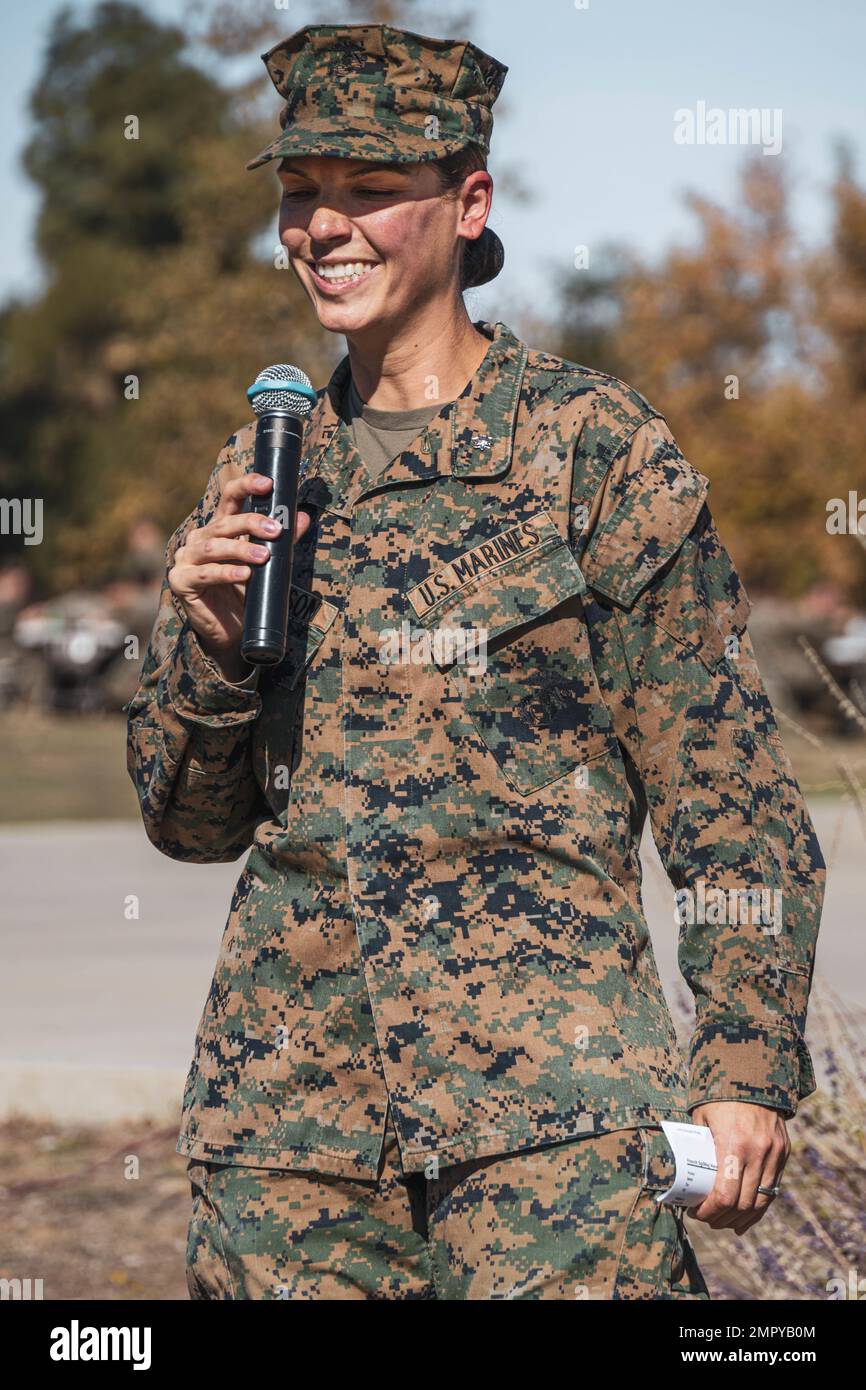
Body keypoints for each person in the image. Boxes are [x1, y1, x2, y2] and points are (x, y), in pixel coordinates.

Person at [126, 22, 826, 1301]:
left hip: (552, 1147)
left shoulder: (589, 451)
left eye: (369, 191)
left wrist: (740, 1062)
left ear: (466, 203)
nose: (321, 228)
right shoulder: (261, 477)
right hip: (289, 1144)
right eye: (299, 193)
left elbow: (730, 801)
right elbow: (189, 823)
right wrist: (212, 651)